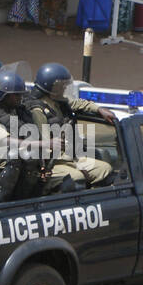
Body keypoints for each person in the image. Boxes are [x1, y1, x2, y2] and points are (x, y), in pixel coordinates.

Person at [24, 62, 115, 192]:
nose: (64, 88)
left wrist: (98, 109)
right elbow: (43, 145)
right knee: (76, 178)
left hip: (70, 156)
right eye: (62, 86)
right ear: (52, 87)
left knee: (104, 169)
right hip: (52, 162)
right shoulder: (37, 110)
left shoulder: (57, 101)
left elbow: (77, 103)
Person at [0, 65, 44, 202]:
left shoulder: (20, 111)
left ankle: (22, 201)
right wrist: (43, 144)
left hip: (23, 159)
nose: (20, 98)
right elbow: (5, 140)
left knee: (31, 155)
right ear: (3, 95)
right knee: (16, 154)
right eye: (16, 95)